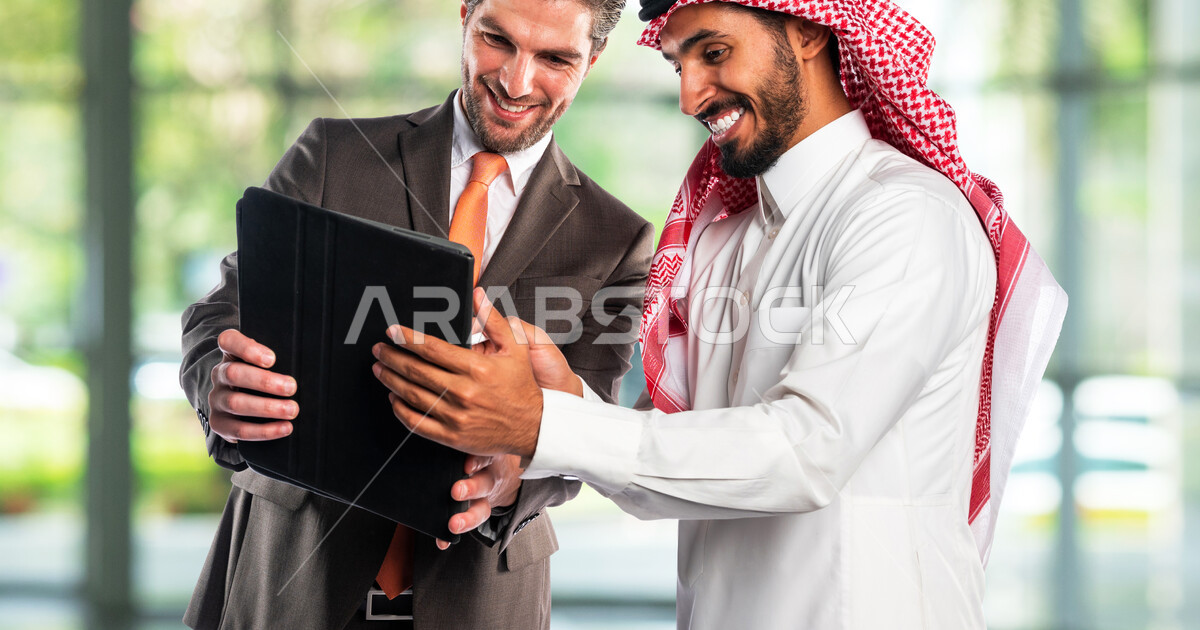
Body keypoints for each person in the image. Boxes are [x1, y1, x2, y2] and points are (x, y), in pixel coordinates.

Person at [371, 0, 1068, 628]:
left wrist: (544, 423)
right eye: (680, 63)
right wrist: (564, 400)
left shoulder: (903, 214)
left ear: (804, 32)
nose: (689, 95)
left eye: (714, 52)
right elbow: (694, 457)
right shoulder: (726, 234)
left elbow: (803, 453)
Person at [177, 0, 653, 627]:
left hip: (478, 596)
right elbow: (222, 312)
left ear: (593, 58)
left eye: (555, 58)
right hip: (289, 576)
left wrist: (511, 477)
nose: (516, 82)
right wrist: (220, 380)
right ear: (464, 16)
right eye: (497, 40)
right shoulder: (333, 154)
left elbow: (589, 424)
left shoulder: (615, 239)